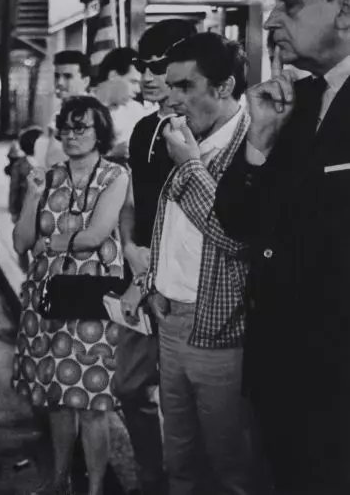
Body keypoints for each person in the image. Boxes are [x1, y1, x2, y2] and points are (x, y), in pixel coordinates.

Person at [215, 0, 350, 495]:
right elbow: (239, 223)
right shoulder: (296, 105)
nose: (271, 22)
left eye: (290, 4)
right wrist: (258, 145)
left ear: (345, 11)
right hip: (282, 374)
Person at [139, 33, 255, 495]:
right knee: (180, 459)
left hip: (220, 329)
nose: (173, 99)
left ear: (224, 86)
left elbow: (235, 237)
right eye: (170, 87)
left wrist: (188, 167)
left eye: (185, 86)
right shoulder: (186, 138)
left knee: (230, 464)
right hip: (169, 318)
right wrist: (151, 286)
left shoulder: (253, 146)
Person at [12, 96, 130, 495]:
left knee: (93, 402)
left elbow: (95, 237)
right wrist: (32, 195)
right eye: (67, 126)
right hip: (46, 299)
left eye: (83, 127)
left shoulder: (115, 175)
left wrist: (50, 244)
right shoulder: (48, 175)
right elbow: (20, 239)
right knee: (57, 399)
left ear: (101, 134)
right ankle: (59, 480)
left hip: (91, 297)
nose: (72, 135)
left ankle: (95, 488)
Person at [116, 19, 197, 495]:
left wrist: (145, 277)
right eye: (141, 66)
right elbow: (132, 201)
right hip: (140, 278)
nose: (145, 76)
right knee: (128, 386)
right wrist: (129, 248)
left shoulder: (202, 130)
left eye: (157, 67)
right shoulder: (145, 128)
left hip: (179, 289)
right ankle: (153, 477)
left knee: (182, 399)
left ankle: (179, 479)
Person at [33, 50, 92, 169]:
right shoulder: (60, 110)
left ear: (85, 81)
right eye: (57, 76)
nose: (59, 83)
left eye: (68, 76)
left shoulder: (92, 115)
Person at [94, 47, 153, 161]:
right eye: (133, 82)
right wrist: (111, 154)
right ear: (113, 75)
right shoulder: (78, 109)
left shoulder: (136, 111)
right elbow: (56, 162)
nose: (138, 90)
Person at [8, 126, 44, 272]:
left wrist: (13, 211)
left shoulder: (21, 164)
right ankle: (27, 272)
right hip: (28, 212)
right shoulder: (22, 165)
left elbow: (13, 190)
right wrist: (14, 211)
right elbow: (14, 190)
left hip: (32, 213)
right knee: (24, 245)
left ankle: (30, 271)